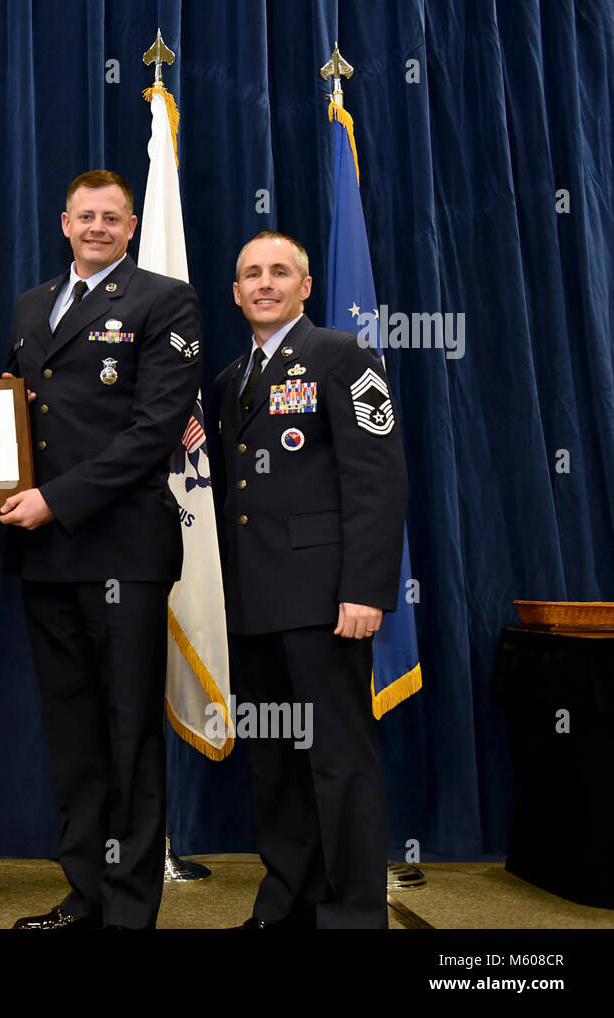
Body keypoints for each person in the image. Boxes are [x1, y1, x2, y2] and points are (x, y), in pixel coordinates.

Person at [0, 170, 202, 929]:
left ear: (130, 224)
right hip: (43, 558)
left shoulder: (163, 300)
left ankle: (128, 910)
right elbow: (14, 414)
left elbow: (154, 434)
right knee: (74, 737)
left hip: (124, 552)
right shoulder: (30, 304)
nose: (96, 228)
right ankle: (85, 892)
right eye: (84, 216)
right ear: (64, 221)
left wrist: (56, 498)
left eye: (110, 218)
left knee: (128, 737)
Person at [215, 231, 407, 929]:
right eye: (251, 274)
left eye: (279, 272)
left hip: (325, 602)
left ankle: (353, 915)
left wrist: (365, 589)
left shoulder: (343, 357)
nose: (264, 283)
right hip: (254, 604)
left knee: (338, 762)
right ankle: (287, 904)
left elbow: (377, 482)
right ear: (235, 293)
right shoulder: (230, 379)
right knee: (275, 762)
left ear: (306, 285)